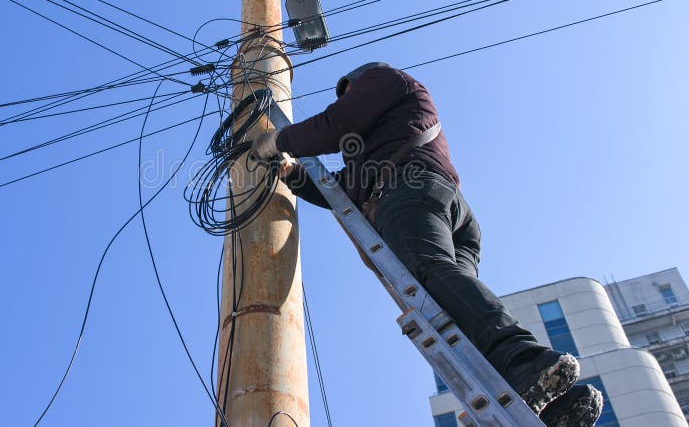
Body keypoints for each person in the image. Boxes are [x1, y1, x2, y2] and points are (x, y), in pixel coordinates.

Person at [251, 62, 603, 426]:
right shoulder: (378, 144)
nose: (346, 102)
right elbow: (339, 190)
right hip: (438, 204)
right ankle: (550, 401)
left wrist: (277, 139)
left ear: (355, 84)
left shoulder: (384, 80)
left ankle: (526, 358)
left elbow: (336, 123)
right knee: (450, 305)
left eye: (347, 95)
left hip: (410, 189)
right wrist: (292, 173)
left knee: (430, 271)